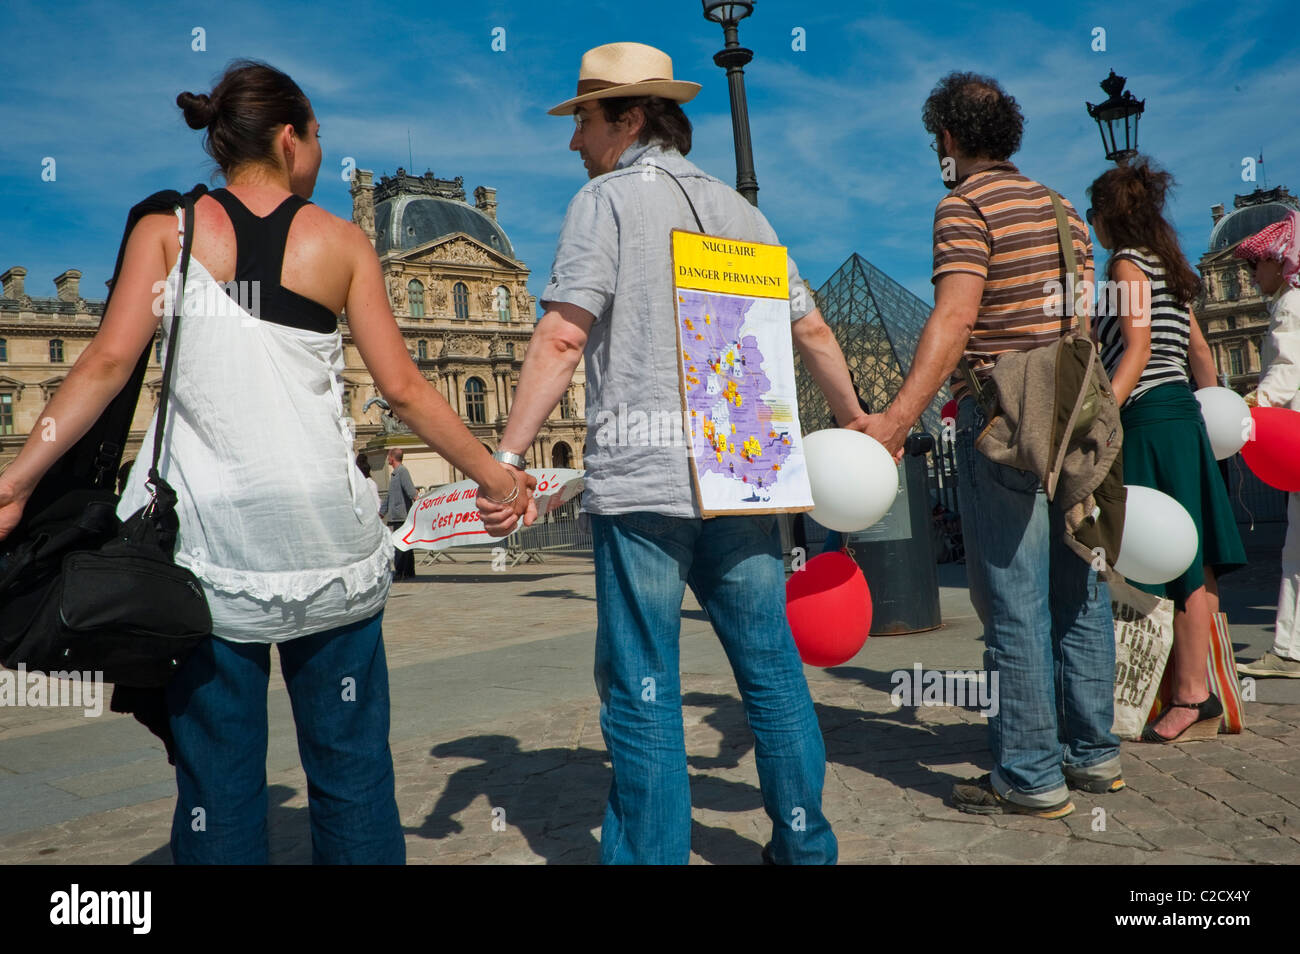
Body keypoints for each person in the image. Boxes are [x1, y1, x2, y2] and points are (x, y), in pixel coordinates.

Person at [0, 60, 531, 864]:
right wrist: (496, 475)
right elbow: (407, 390)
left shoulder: (166, 231)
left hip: (210, 550)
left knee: (219, 784)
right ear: (290, 138)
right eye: (318, 137)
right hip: (329, 542)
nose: (320, 152)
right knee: (352, 774)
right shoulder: (343, 242)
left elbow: (104, 365)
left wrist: (15, 481)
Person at [479, 42, 869, 864]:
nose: (572, 141)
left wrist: (508, 455)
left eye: (582, 120)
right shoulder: (742, 211)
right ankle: (806, 847)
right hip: (742, 474)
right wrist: (857, 420)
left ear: (627, 118)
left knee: (642, 686)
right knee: (771, 670)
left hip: (643, 482)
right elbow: (812, 328)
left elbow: (560, 334)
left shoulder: (607, 202)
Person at [863, 72, 1119, 817]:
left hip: (1005, 412)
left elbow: (954, 316)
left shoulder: (964, 204)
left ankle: (1030, 772)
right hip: (1082, 409)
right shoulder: (1064, 207)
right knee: (1082, 587)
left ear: (945, 139)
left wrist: (900, 417)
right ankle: (1093, 753)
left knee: (1012, 600)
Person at [1087, 159, 1246, 741]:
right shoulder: (1170, 269)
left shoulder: (1127, 265)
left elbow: (1135, 346)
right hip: (1183, 418)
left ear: (1109, 217)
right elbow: (1200, 352)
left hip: (1149, 419)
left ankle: (1185, 695)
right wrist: (1218, 411)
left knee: (1158, 558)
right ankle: (1191, 690)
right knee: (1193, 557)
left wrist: (1103, 417)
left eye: (1092, 213)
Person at [1234, 210, 1300, 678]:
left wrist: (1254, 402)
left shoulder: (1291, 304)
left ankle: (1291, 648)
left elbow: (1288, 365)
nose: (1253, 275)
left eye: (1257, 265)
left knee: (1296, 549)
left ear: (1280, 261)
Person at [381, 448, 418, 580]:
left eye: (388, 457)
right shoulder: (395, 474)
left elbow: (411, 491)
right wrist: (381, 512)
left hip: (401, 516)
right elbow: (390, 496)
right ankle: (408, 572)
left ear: (392, 458)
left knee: (399, 546)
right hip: (396, 515)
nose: (387, 459)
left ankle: (401, 571)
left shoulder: (402, 472)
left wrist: (420, 504)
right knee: (405, 545)